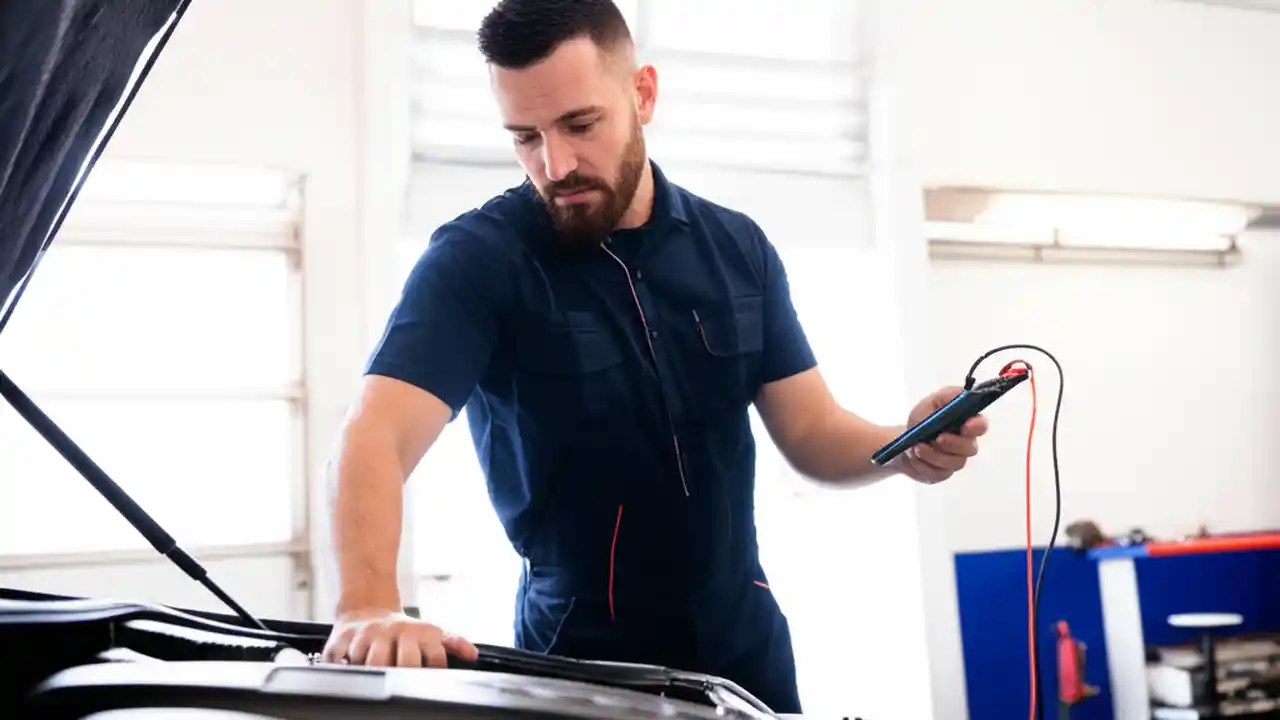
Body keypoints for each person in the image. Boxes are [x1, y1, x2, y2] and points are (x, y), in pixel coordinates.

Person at [320, 0, 988, 712]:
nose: (556, 163)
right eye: (525, 138)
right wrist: (365, 605)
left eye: (580, 125)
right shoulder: (477, 262)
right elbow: (374, 435)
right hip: (578, 671)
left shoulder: (738, 248)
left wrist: (903, 444)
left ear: (642, 94)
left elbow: (813, 433)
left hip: (746, 661)